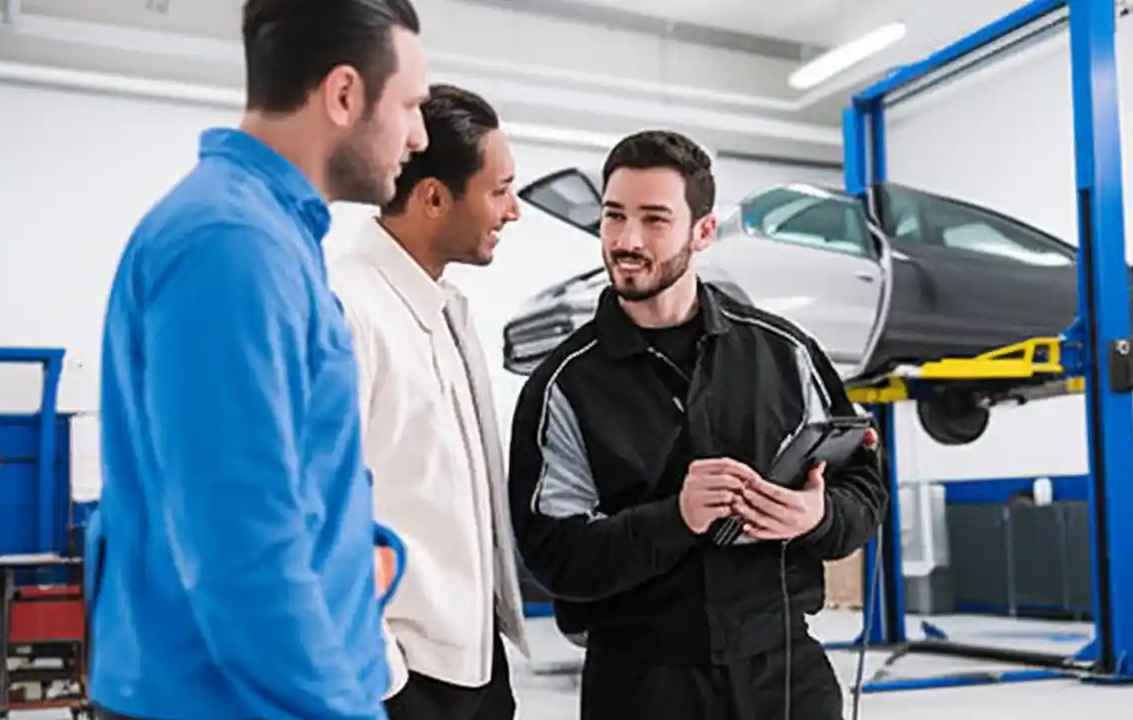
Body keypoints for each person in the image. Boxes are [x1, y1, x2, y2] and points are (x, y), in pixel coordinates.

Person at [87, 1, 429, 718]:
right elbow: (241, 543)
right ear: (343, 95)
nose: (418, 135)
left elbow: (279, 479)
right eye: (408, 106)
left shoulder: (269, 233)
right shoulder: (233, 244)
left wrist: (356, 552)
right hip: (236, 702)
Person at [506, 130, 890, 720]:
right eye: (614, 217)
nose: (626, 240)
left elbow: (864, 486)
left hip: (783, 676)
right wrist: (675, 519)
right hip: (642, 687)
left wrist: (819, 516)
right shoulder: (563, 386)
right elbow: (554, 556)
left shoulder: (785, 353)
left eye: (655, 220)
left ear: (703, 232)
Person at [328, 83, 528, 720]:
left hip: (474, 661)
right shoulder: (346, 309)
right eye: (500, 191)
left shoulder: (442, 307)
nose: (514, 210)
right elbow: (317, 516)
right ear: (434, 198)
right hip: (405, 678)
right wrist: (385, 678)